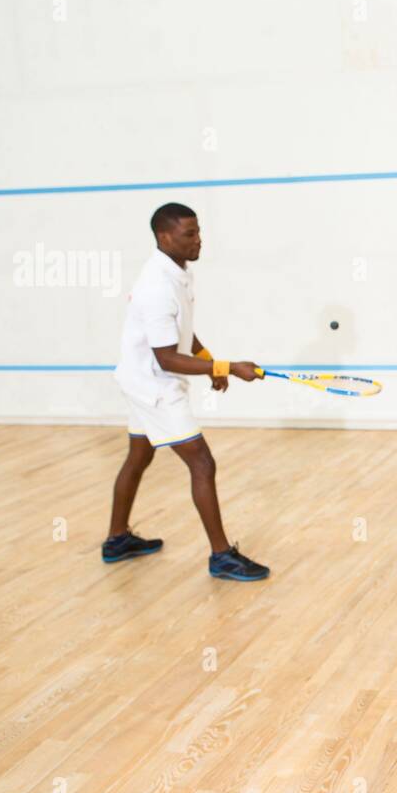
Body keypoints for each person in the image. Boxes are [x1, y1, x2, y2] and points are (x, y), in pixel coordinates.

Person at [103, 202, 271, 581]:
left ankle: (116, 540)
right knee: (202, 463)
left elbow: (181, 330)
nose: (199, 241)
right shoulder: (156, 286)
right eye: (189, 235)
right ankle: (222, 556)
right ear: (165, 237)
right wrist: (227, 367)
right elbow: (166, 358)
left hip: (137, 378)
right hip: (154, 386)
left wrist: (209, 358)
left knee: (138, 457)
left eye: (198, 232)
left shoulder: (175, 271)